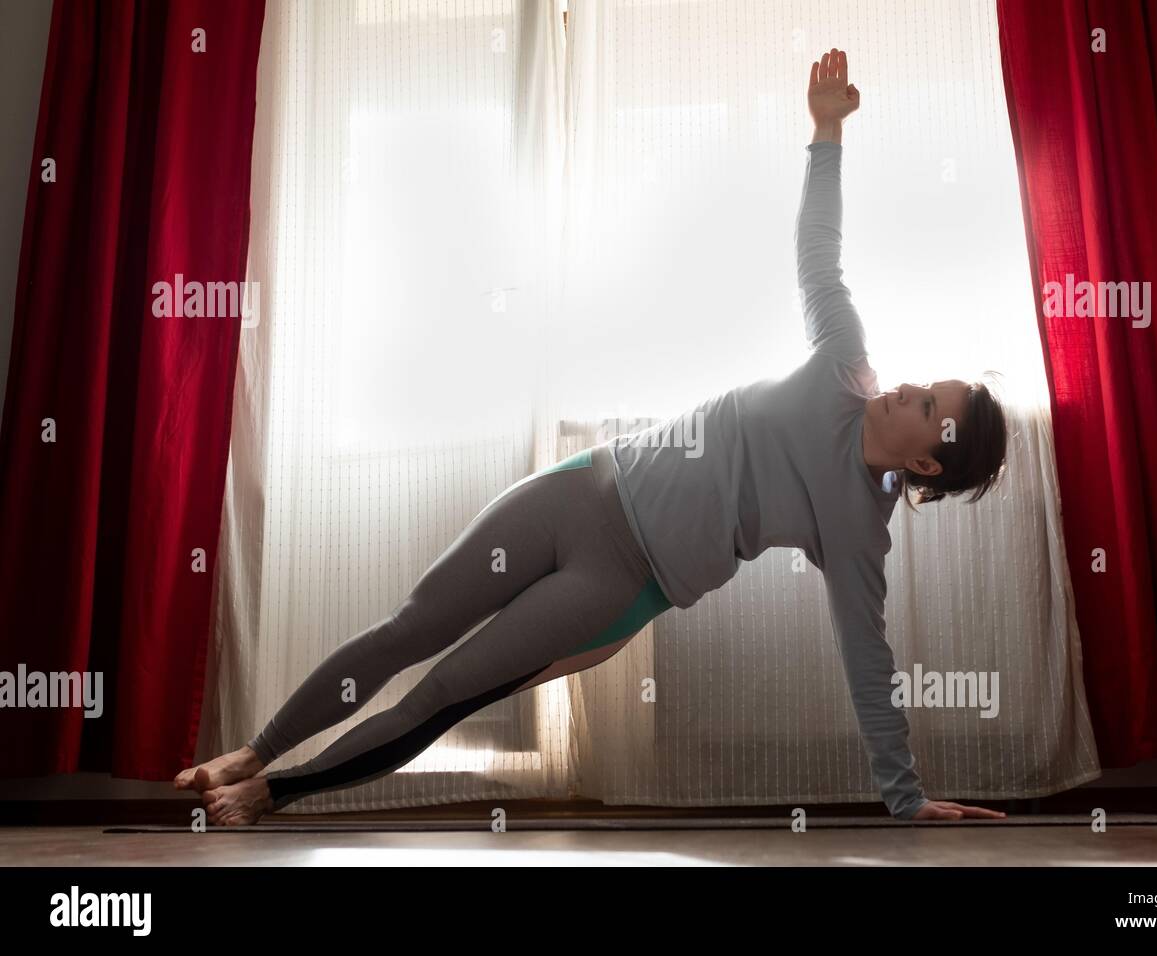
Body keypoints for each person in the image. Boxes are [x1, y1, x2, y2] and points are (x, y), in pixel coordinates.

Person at [175, 47, 1008, 825]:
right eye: (925, 382)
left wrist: (906, 800)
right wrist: (826, 131)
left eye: (927, 404)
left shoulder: (860, 529)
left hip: (622, 580)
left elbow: (868, 658)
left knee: (447, 693)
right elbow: (817, 255)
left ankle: (269, 793)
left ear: (928, 460)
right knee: (410, 627)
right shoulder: (844, 361)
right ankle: (257, 748)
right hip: (587, 486)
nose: (907, 388)